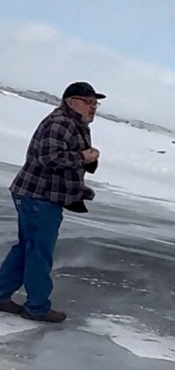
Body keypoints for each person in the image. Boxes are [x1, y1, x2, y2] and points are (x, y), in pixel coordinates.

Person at [0, 81, 103, 323]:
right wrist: (82, 156)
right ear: (71, 102)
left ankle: (1, 294)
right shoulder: (60, 123)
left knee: (28, 248)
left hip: (39, 195)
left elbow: (64, 158)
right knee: (38, 252)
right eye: (88, 102)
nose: (94, 107)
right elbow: (50, 158)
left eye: (95, 103)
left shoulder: (75, 124)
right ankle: (36, 307)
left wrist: (87, 159)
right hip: (38, 197)